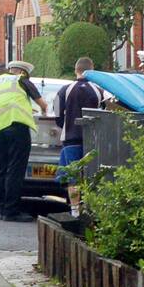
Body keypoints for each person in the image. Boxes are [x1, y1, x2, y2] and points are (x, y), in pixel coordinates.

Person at [0, 59, 49, 221]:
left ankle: (1, 209)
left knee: (2, 170)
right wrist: (43, 111)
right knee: (15, 171)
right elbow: (43, 104)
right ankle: (11, 211)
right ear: (23, 72)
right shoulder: (22, 80)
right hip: (17, 127)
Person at [56, 56, 102, 190]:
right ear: (91, 70)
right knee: (93, 176)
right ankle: (90, 207)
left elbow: (58, 114)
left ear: (76, 70)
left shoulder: (64, 90)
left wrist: (66, 125)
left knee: (73, 178)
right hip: (94, 140)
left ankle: (75, 209)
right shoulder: (99, 90)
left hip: (71, 139)